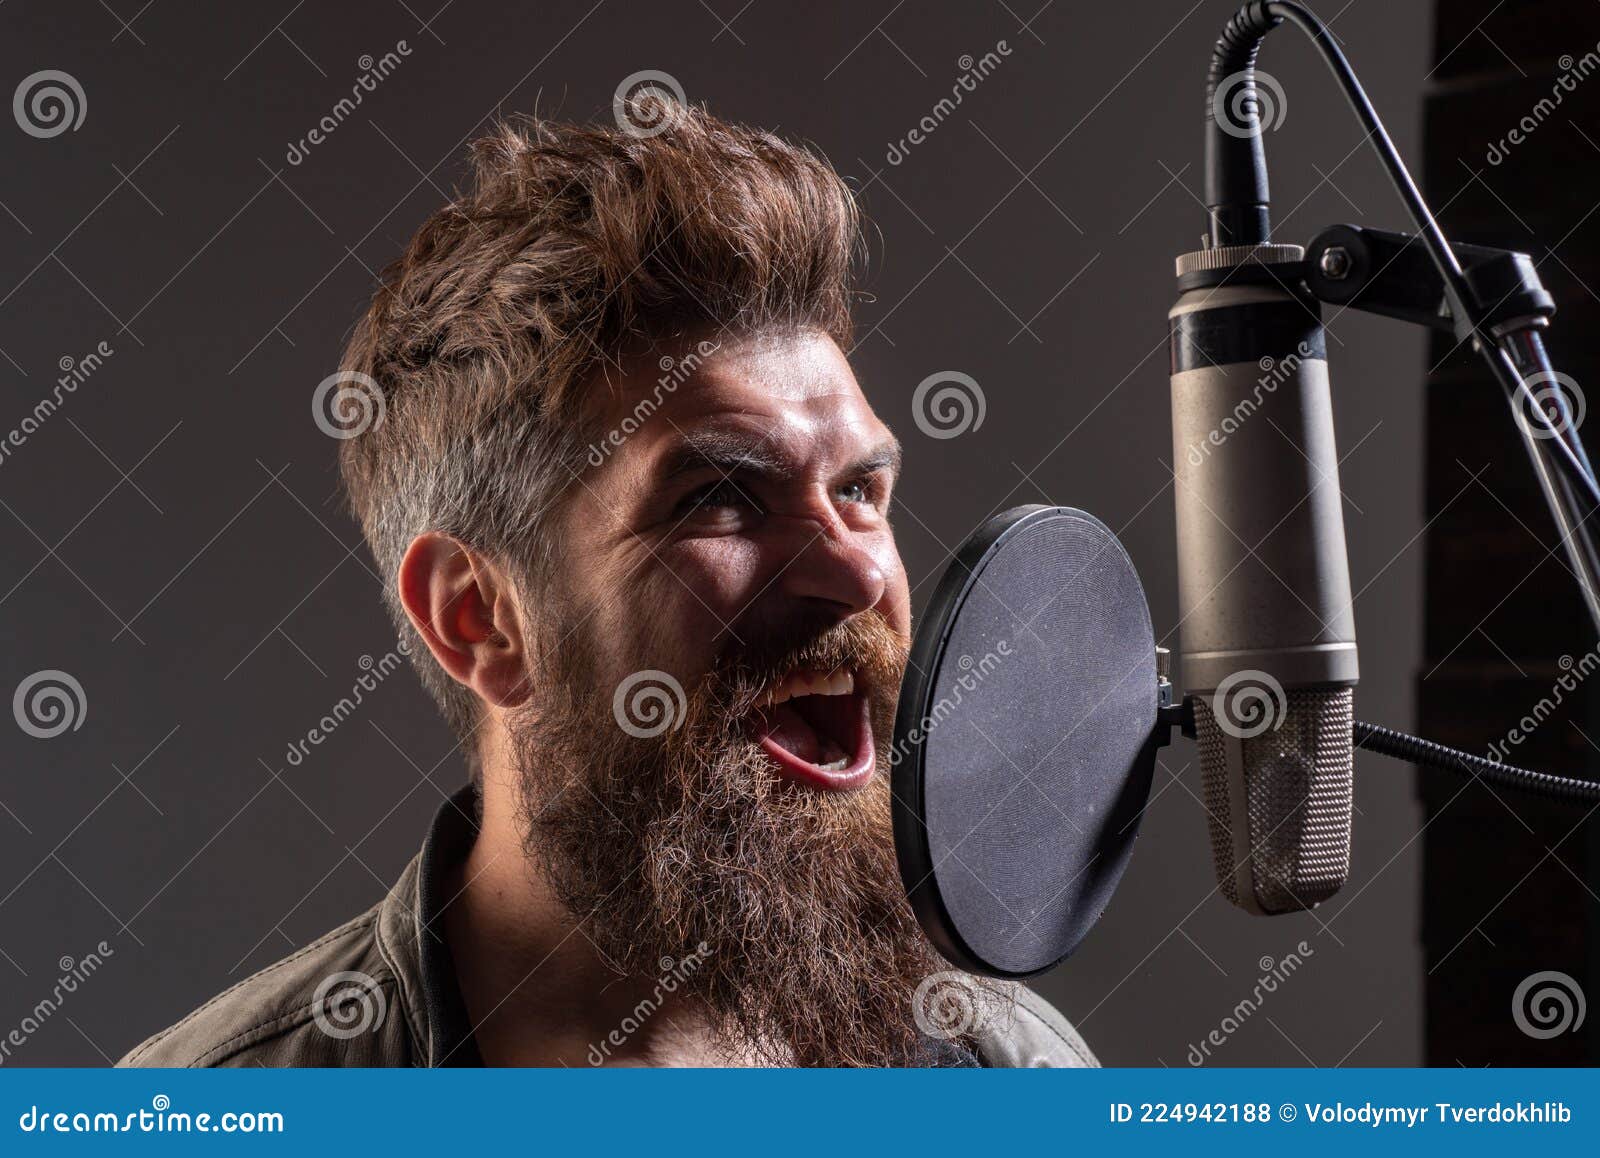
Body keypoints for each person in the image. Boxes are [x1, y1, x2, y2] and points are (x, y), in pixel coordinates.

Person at [119, 98, 1095, 1068]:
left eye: (859, 491)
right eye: (718, 497)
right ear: (478, 618)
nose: (852, 571)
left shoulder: (1013, 1073)